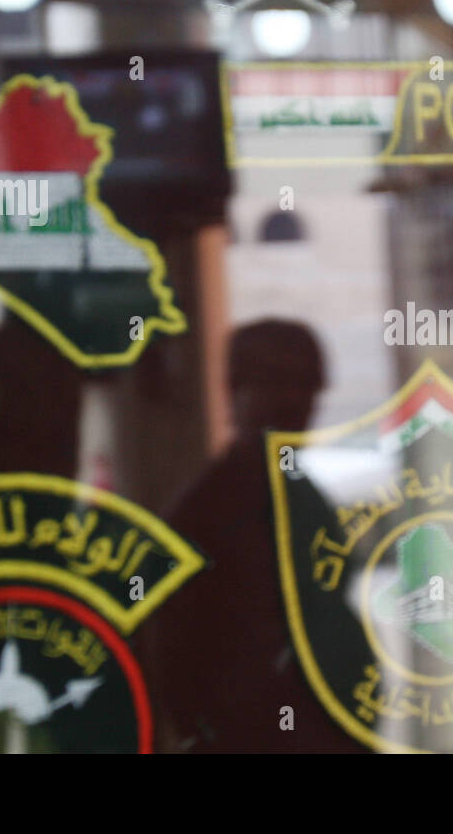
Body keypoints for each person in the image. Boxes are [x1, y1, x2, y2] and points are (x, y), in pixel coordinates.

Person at [143, 319, 362, 752]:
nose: (293, 400)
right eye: (275, 382)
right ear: (234, 389)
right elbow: (180, 663)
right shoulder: (208, 511)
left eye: (306, 384)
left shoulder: (297, 494)